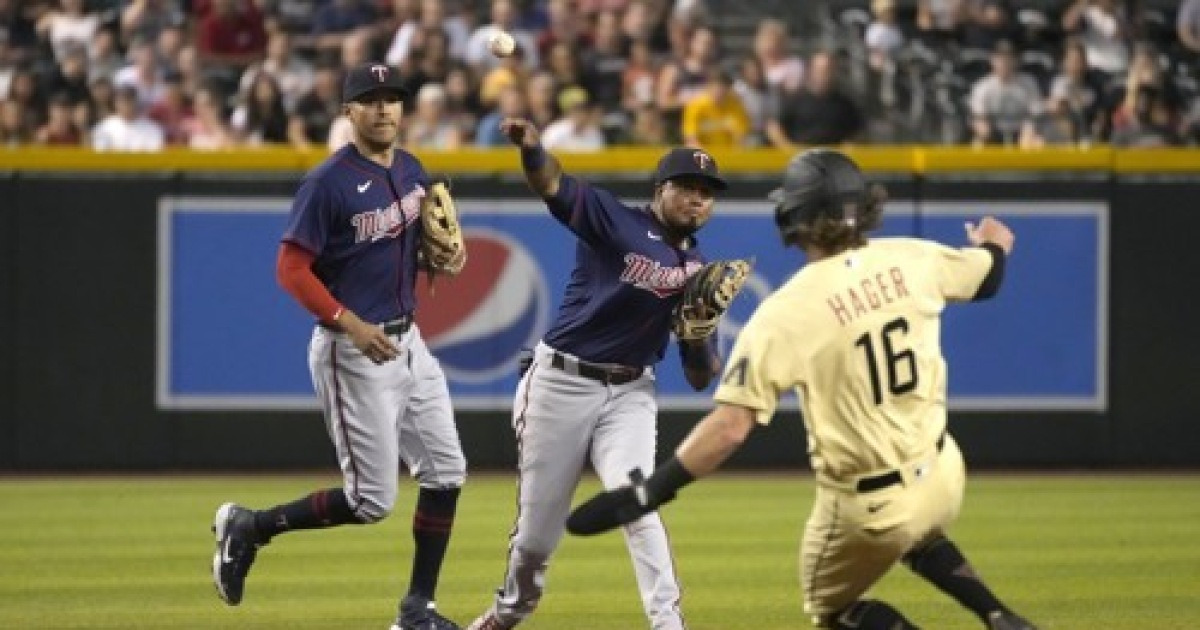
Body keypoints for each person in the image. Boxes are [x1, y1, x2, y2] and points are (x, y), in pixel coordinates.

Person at [566, 148, 1041, 630]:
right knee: (918, 531)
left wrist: (653, 489)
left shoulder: (787, 311)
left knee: (834, 611)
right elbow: (988, 277)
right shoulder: (913, 257)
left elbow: (731, 428)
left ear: (794, 215)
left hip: (868, 505)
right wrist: (993, 244)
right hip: (943, 472)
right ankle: (998, 614)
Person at [210, 61, 467, 630]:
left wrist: (432, 260)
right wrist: (349, 322)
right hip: (351, 350)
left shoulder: (412, 168)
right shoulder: (326, 182)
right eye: (370, 100)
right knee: (372, 501)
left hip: (408, 341)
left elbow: (400, 249)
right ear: (348, 111)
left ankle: (416, 611)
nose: (383, 109)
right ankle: (251, 526)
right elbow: (290, 268)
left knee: (447, 473)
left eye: (392, 99)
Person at [465, 118, 730, 630]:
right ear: (661, 190)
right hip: (561, 383)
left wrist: (697, 335)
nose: (698, 201)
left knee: (638, 502)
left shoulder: (701, 272)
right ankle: (507, 613)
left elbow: (701, 376)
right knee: (536, 540)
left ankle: (668, 624)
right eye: (687, 189)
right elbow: (552, 185)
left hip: (630, 392)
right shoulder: (615, 219)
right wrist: (534, 147)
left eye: (706, 194)